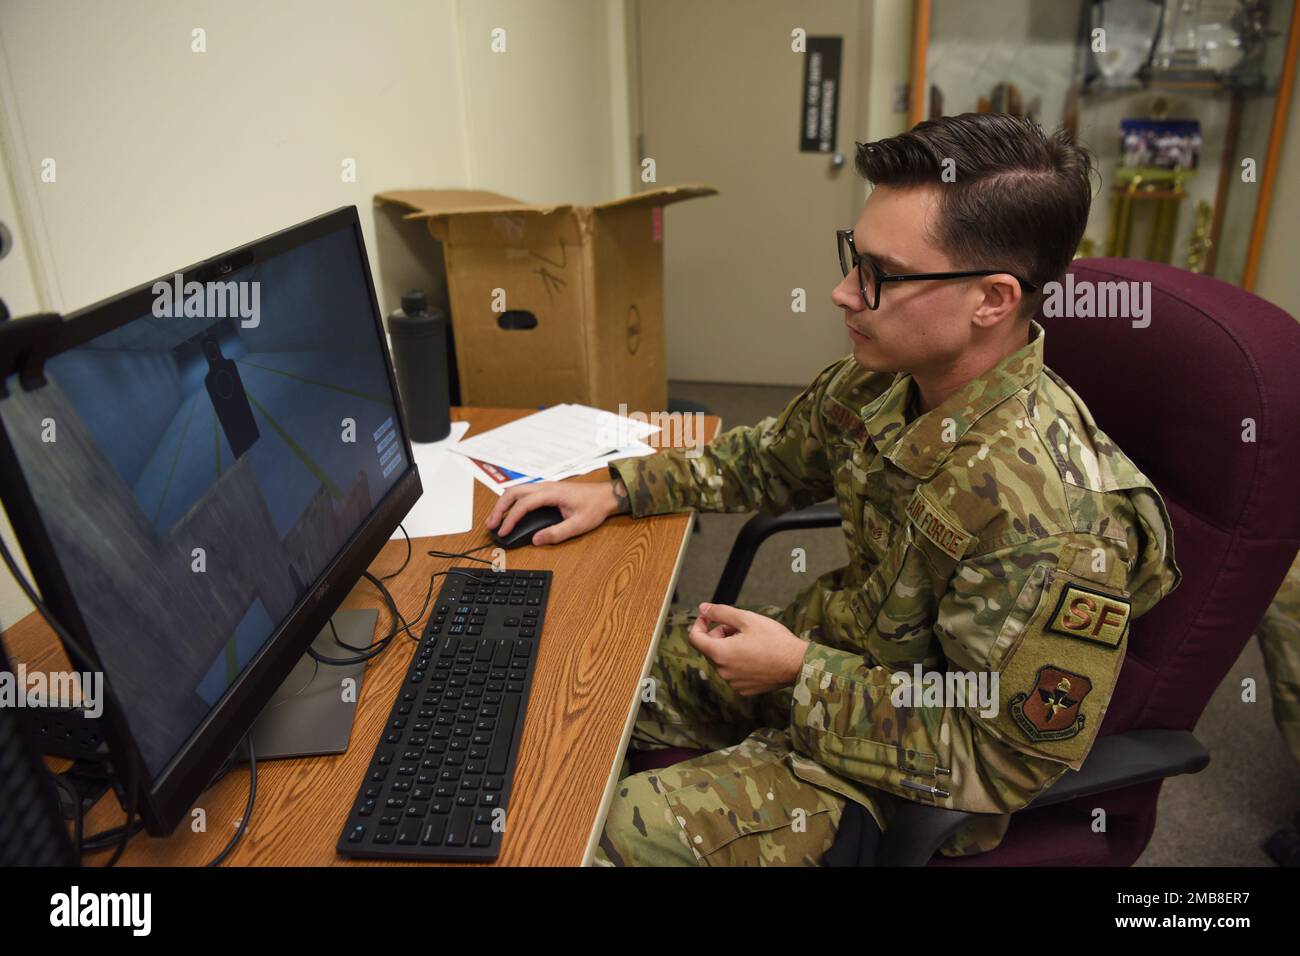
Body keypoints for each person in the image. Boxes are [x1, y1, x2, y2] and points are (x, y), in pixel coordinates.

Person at [485, 113, 1181, 866]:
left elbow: (1003, 758)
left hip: (896, 779)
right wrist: (619, 489)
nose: (843, 292)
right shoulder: (885, 378)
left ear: (992, 299)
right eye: (855, 256)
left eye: (881, 273)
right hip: (817, 659)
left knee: (591, 839)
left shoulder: (1056, 523)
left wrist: (800, 673)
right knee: (565, 673)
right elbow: (767, 460)